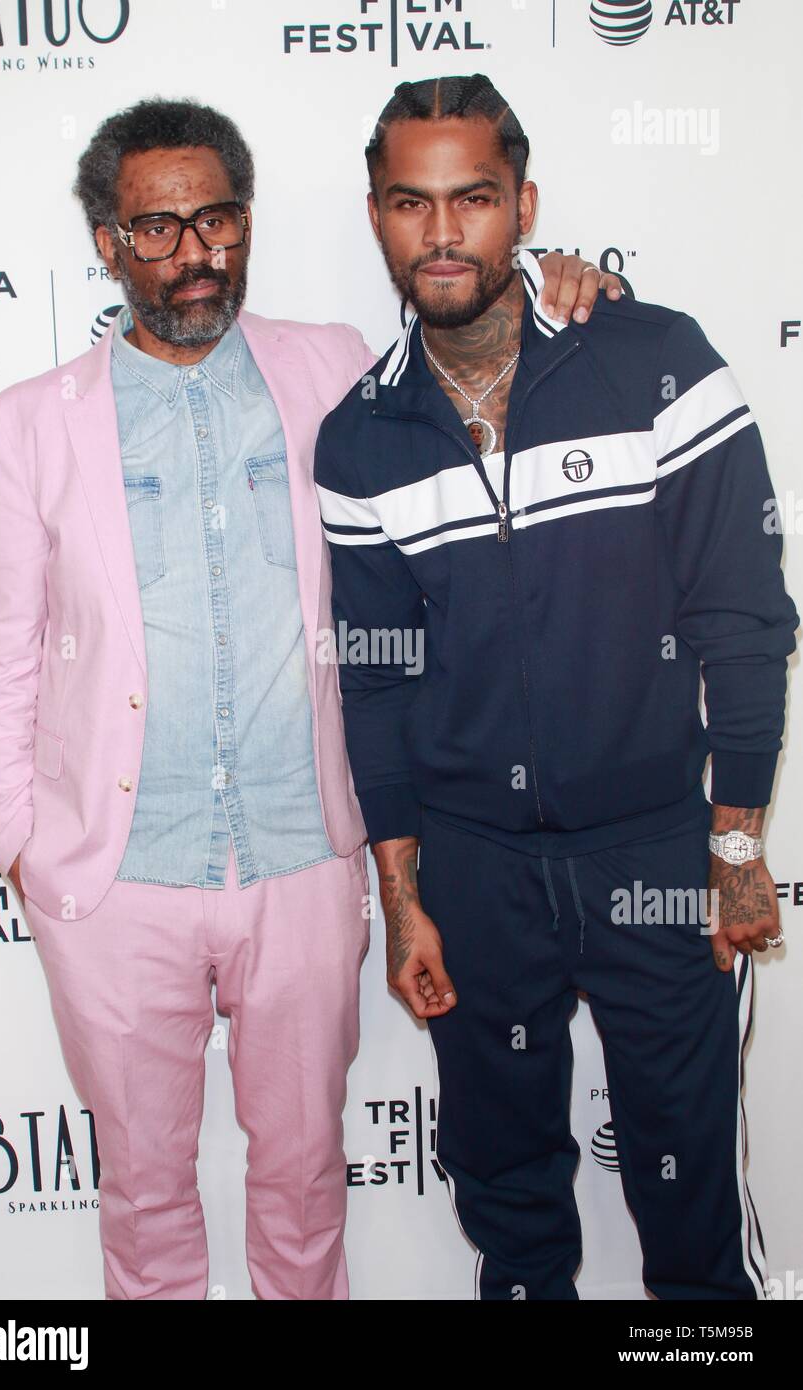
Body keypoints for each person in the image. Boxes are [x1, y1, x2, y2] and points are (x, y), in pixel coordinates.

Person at [0, 95, 613, 1301]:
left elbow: (474, 348)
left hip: (306, 857)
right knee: (144, 1192)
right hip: (115, 880)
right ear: (105, 241)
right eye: (157, 229)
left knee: (305, 1181)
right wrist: (23, 847)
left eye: (218, 220)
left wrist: (566, 288)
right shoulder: (27, 426)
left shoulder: (331, 370)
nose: (195, 255)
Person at [314, 74, 799, 1300]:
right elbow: (376, 685)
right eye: (409, 204)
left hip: (649, 844)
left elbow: (740, 616)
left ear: (521, 205)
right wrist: (404, 893)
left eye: (470, 199)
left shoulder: (651, 361)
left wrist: (735, 837)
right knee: (509, 1200)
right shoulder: (358, 438)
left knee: (689, 1209)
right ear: (373, 216)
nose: (440, 234)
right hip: (474, 870)